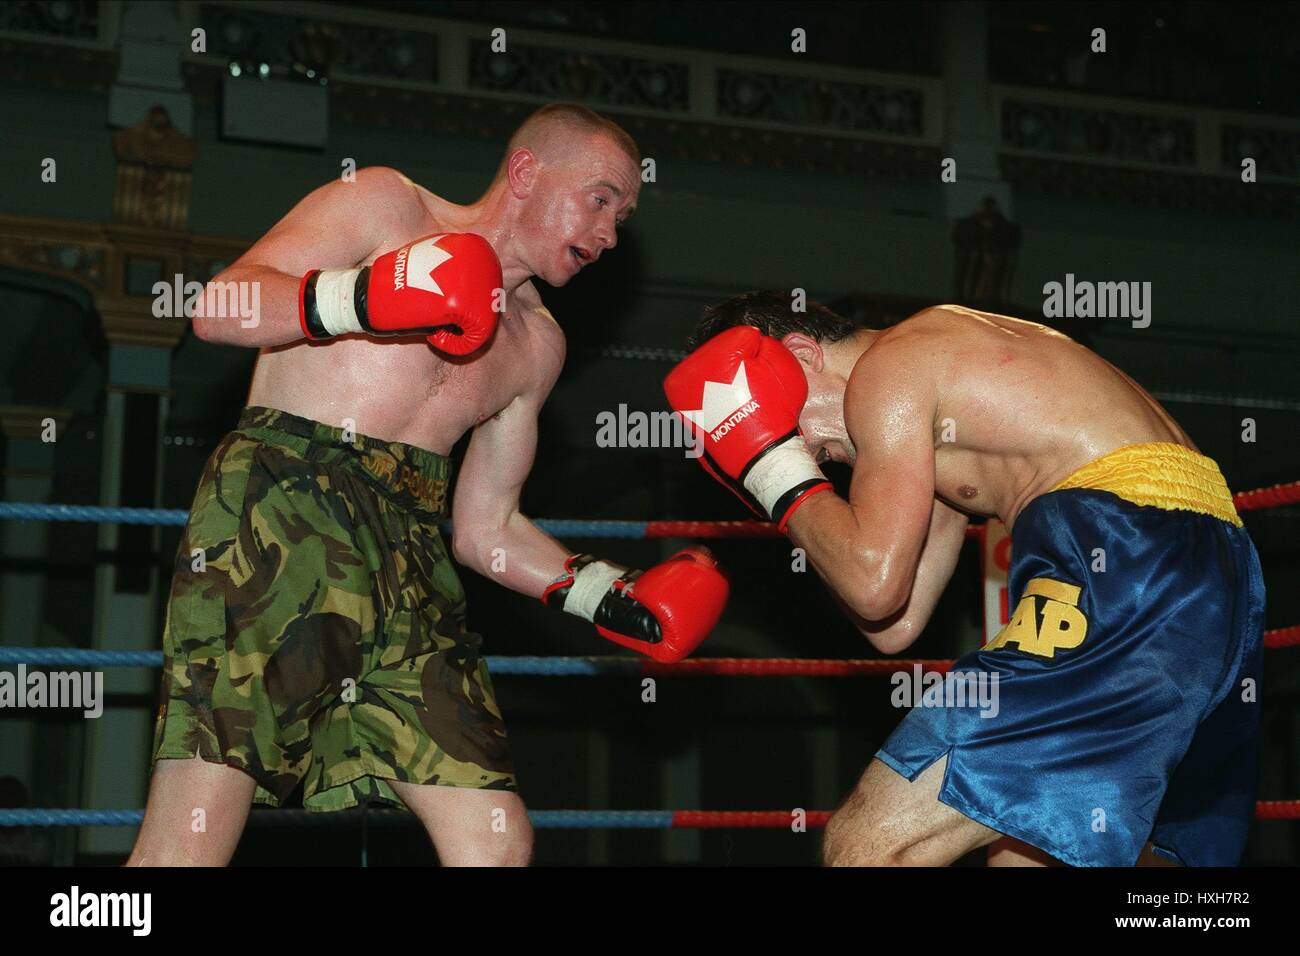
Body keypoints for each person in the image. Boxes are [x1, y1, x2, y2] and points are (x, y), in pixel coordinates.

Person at [128, 103, 728, 867]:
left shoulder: (538, 344)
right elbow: (219, 308)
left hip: (412, 557)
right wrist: (365, 297)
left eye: (624, 215)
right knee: (190, 844)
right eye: (601, 198)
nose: (610, 234)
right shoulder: (387, 204)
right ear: (525, 172)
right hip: (283, 504)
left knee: (495, 843)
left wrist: (610, 596)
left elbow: (486, 532)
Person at [664, 290, 1263, 867]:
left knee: (871, 847)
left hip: (1125, 552)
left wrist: (770, 467)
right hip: (1208, 570)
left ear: (800, 355)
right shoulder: (941, 395)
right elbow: (891, 621)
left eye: (786, 427)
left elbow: (872, 582)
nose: (809, 452)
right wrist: (804, 505)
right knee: (1027, 848)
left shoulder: (890, 367)